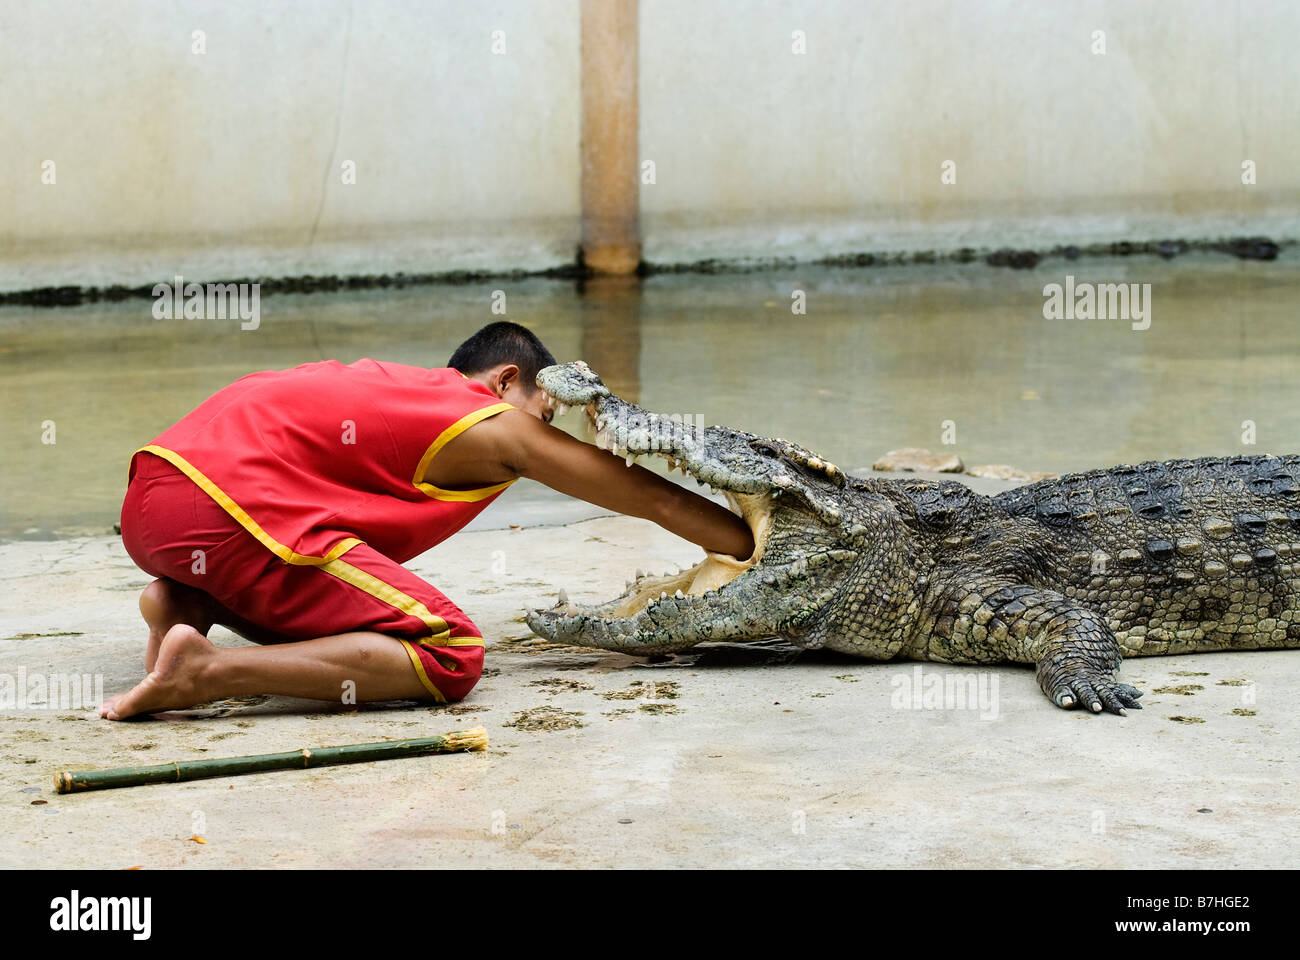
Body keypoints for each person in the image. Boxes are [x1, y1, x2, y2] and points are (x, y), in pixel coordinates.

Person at [103, 322, 753, 720]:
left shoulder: (402, 383)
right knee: (451, 653)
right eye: (547, 413)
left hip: (152, 503)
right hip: (227, 512)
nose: (545, 432)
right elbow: (653, 499)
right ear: (505, 381)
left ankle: (185, 600)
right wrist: (751, 545)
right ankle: (206, 673)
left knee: (347, 610)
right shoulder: (489, 419)